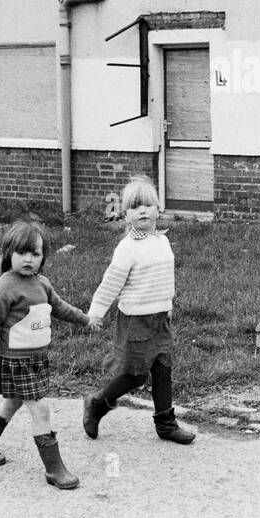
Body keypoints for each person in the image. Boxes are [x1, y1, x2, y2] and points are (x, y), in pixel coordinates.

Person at [0, 219, 91, 489]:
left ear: (43, 258)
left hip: (36, 360)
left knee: (13, 402)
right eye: (21, 253)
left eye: (35, 254)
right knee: (41, 410)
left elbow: (60, 307)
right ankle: (54, 470)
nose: (28, 259)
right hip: (15, 362)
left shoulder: (42, 284)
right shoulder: (4, 287)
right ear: (9, 254)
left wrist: (84, 319)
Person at [82, 177, 195, 444]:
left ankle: (166, 424)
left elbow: (165, 277)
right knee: (136, 375)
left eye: (147, 205)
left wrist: (168, 305)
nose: (142, 210)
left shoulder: (162, 242)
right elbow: (111, 283)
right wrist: (96, 312)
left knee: (163, 370)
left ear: (159, 210)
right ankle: (98, 403)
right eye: (135, 207)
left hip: (159, 319)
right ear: (126, 215)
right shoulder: (127, 248)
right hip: (135, 320)